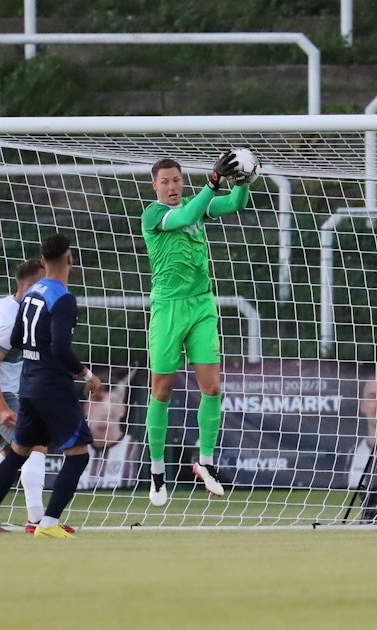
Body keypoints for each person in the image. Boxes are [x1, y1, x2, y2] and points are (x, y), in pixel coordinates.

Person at [140, 152, 256, 506]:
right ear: (155, 186)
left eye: (176, 180)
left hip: (202, 305)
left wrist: (242, 181)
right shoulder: (153, 215)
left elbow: (234, 204)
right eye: (165, 182)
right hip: (168, 309)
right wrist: (212, 182)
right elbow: (187, 216)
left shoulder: (197, 202)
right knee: (162, 390)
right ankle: (157, 472)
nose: (172, 186)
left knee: (213, 387)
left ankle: (205, 463)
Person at [0, 234, 102, 539]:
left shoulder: (31, 292)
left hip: (28, 386)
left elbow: (16, 338)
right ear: (70, 259)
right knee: (79, 455)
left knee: (18, 451)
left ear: (43, 261)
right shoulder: (63, 298)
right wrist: (86, 375)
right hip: (52, 388)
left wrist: (35, 354)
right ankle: (47, 523)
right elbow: (60, 348)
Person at [0, 258, 59, 533]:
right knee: (36, 444)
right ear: (30, 286)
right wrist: (2, 408)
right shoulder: (11, 319)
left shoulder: (14, 307)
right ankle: (36, 520)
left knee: (12, 452)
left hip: (3, 390)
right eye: (43, 285)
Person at [77, 367, 141, 490]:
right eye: (98, 400)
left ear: (123, 409)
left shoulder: (137, 450)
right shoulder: (71, 449)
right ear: (86, 408)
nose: (107, 407)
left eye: (114, 401)